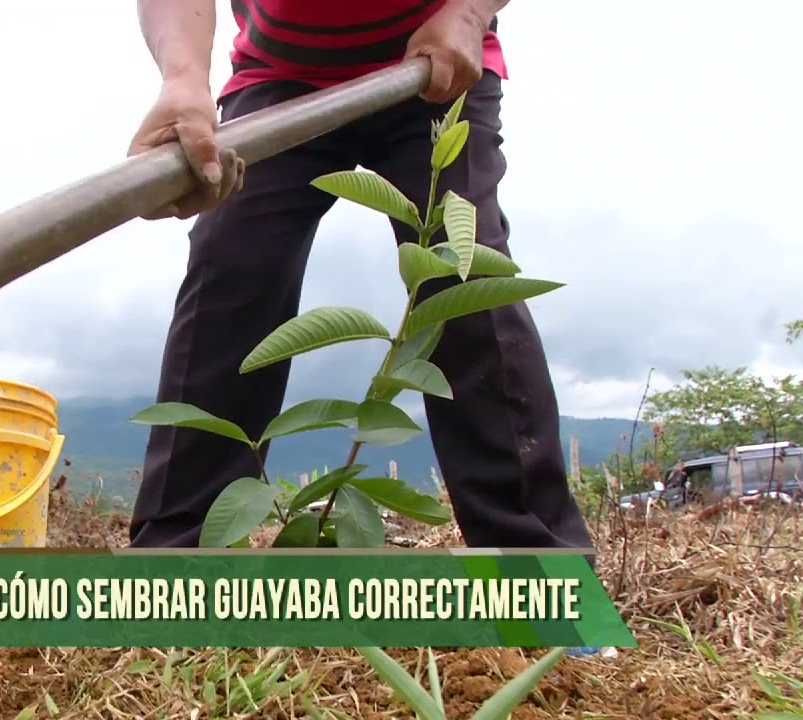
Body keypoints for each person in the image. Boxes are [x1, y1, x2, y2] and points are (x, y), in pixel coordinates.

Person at [124, 0, 595, 563]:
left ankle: (541, 571)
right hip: (278, 77)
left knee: (461, 278)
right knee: (232, 268)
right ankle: (176, 566)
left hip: (434, 61)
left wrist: (469, 15)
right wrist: (183, 79)